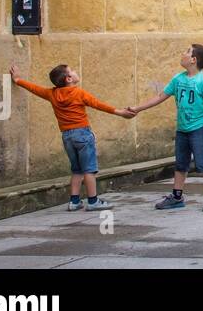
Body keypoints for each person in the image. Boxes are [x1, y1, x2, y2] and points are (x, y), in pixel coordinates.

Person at [10, 63, 135, 211]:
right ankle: (93, 201)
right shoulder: (79, 93)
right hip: (82, 134)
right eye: (73, 71)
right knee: (89, 169)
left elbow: (35, 89)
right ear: (69, 78)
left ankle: (74, 202)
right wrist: (120, 112)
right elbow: (98, 104)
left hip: (67, 136)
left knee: (77, 170)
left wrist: (18, 80)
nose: (76, 72)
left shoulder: (52, 94)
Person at [131, 44, 203, 212]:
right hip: (182, 130)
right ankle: (177, 196)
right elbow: (160, 97)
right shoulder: (178, 79)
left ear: (193, 60)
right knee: (181, 164)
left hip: (199, 129)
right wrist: (138, 108)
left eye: (187, 51)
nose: (183, 53)